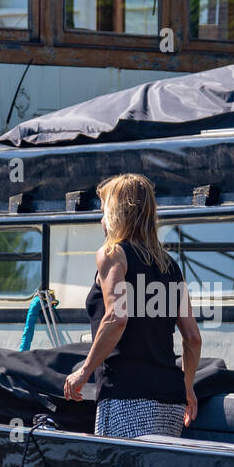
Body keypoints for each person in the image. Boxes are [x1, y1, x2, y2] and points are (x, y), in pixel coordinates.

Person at [63, 173, 202, 438]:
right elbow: (193, 338)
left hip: (127, 395)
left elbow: (117, 318)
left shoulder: (112, 253)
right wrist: (188, 387)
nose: (100, 220)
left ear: (116, 214)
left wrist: (84, 371)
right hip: (170, 401)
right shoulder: (170, 265)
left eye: (103, 212)